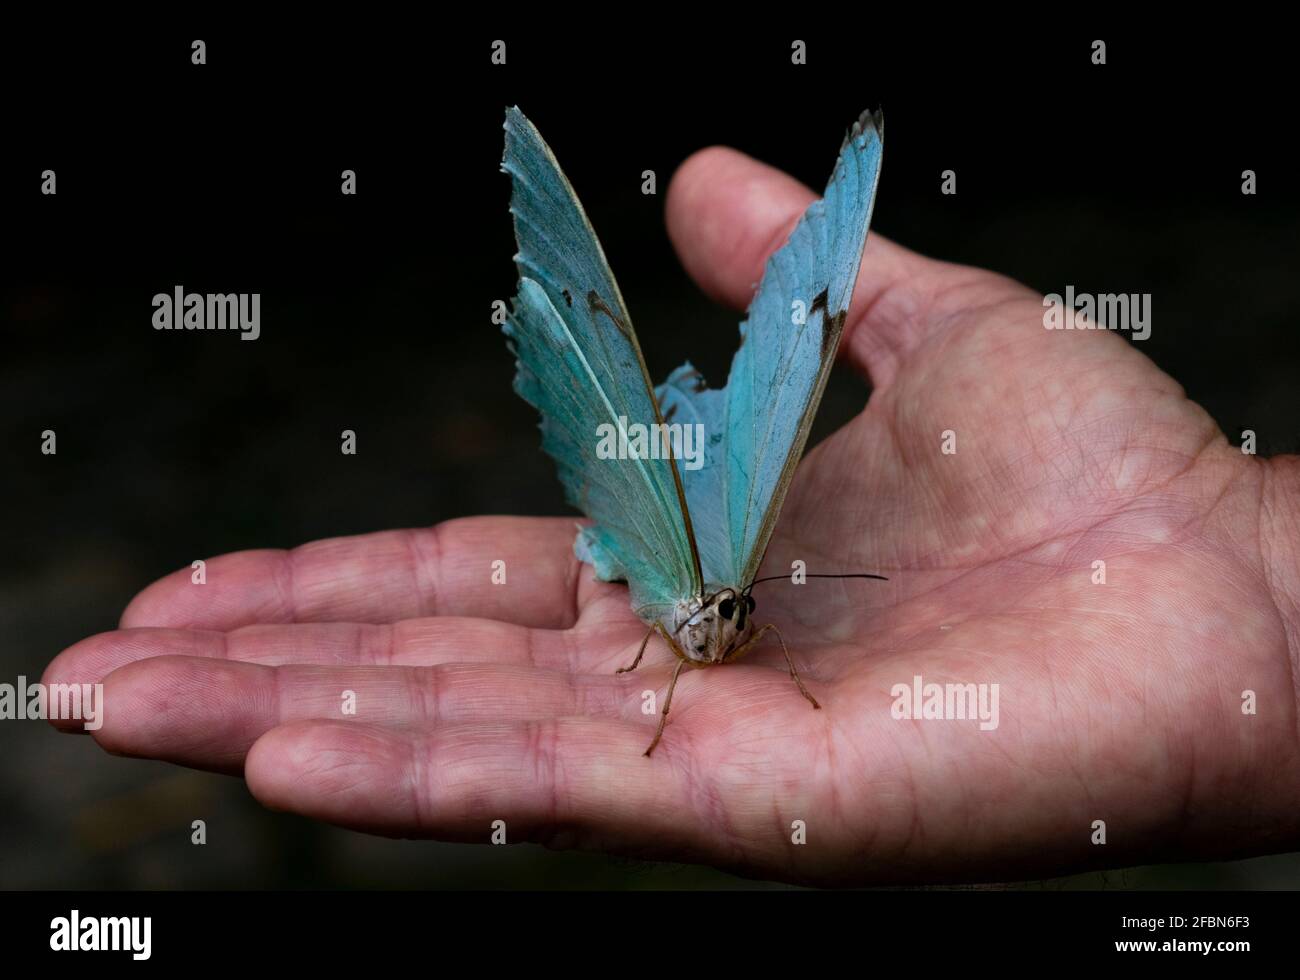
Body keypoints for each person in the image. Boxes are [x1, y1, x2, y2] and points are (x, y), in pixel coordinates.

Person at [44, 143, 1300, 887]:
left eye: (738, 621)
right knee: (641, 381)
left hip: (692, 513)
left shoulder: (743, 600)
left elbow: (741, 627)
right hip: (644, 519)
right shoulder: (685, 601)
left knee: (744, 472)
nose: (733, 630)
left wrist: (1248, 569)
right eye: (727, 622)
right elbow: (677, 632)